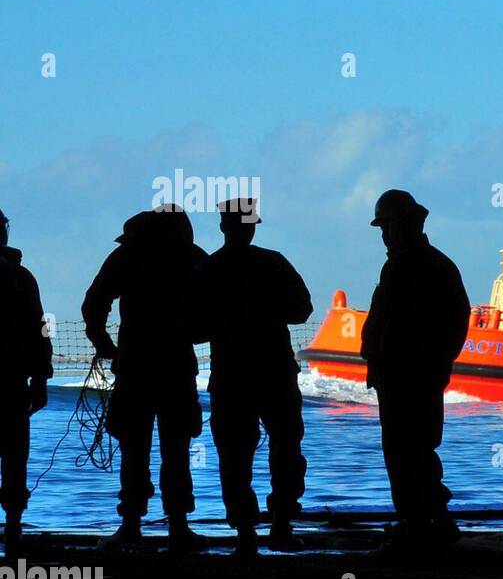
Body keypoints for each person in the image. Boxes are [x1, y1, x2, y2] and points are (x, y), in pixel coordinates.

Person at [83, 205, 209, 554]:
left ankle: (130, 526)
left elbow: (94, 304)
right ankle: (179, 528)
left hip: (135, 367)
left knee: (133, 450)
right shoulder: (192, 256)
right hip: (177, 367)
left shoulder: (126, 255)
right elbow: (216, 306)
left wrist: (105, 345)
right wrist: (194, 333)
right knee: (177, 449)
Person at [191, 198, 313, 559]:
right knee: (286, 447)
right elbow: (302, 310)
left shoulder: (208, 270)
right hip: (275, 370)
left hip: (231, 374)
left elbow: (193, 328)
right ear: (252, 227)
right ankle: (281, 526)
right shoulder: (273, 263)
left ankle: (245, 535)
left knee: (234, 455)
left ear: (223, 227)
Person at [361, 189, 470, 556]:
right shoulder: (437, 264)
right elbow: (458, 320)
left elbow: (391, 319)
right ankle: (427, 519)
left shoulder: (408, 265)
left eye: (386, 226)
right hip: (416, 373)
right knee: (417, 447)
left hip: (405, 374)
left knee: (405, 449)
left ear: (399, 225)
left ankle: (419, 523)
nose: (383, 235)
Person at [0, 210, 52, 554]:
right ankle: (15, 528)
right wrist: (41, 378)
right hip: (12, 382)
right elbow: (41, 330)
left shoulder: (22, 277)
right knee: (15, 457)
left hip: (13, 380)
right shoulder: (22, 277)